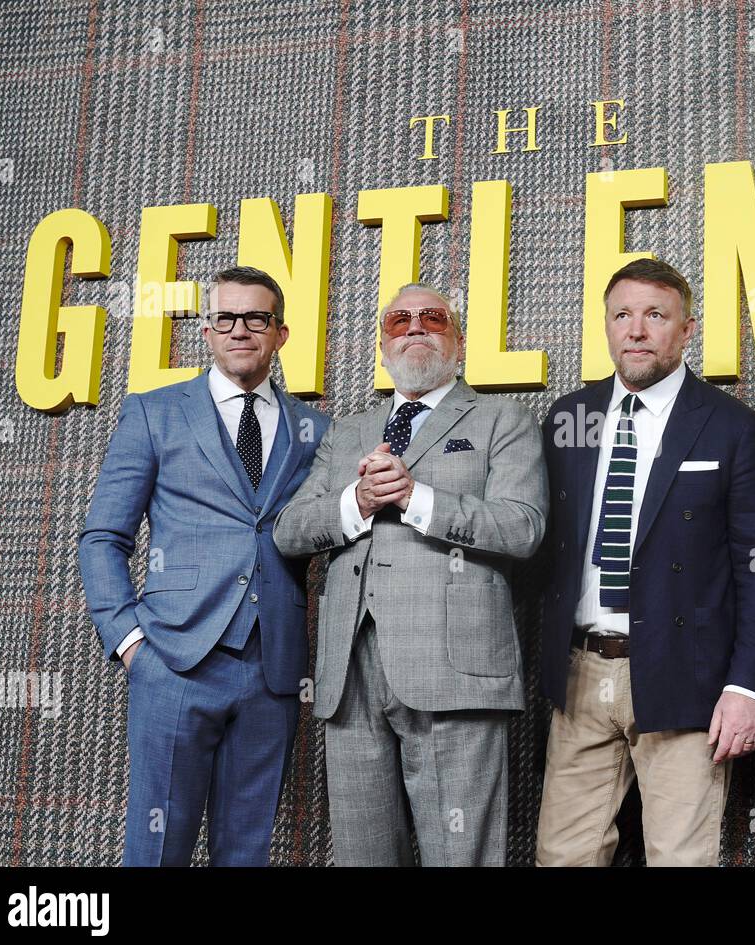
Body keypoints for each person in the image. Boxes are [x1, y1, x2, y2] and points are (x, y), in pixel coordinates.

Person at [273, 283, 547, 866]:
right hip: (349, 673)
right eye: (400, 320)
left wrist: (419, 497)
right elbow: (289, 531)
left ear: (459, 340)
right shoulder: (347, 431)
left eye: (433, 318)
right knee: (362, 855)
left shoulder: (504, 419)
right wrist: (358, 503)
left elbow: (523, 528)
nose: (416, 327)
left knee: (460, 855)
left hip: (456, 670)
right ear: (382, 345)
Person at [535, 257, 755, 866]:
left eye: (655, 315)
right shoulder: (569, 419)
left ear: (687, 328)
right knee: (561, 855)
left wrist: (747, 686)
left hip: (687, 676)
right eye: (622, 315)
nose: (637, 330)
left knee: (679, 857)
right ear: (606, 327)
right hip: (581, 671)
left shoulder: (732, 428)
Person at [79, 265, 330, 865]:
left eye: (256, 318)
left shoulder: (314, 430)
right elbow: (103, 537)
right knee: (157, 847)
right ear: (207, 331)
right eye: (226, 318)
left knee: (246, 851)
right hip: (173, 660)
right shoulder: (153, 412)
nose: (240, 330)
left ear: (280, 333)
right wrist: (131, 644)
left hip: (273, 671)